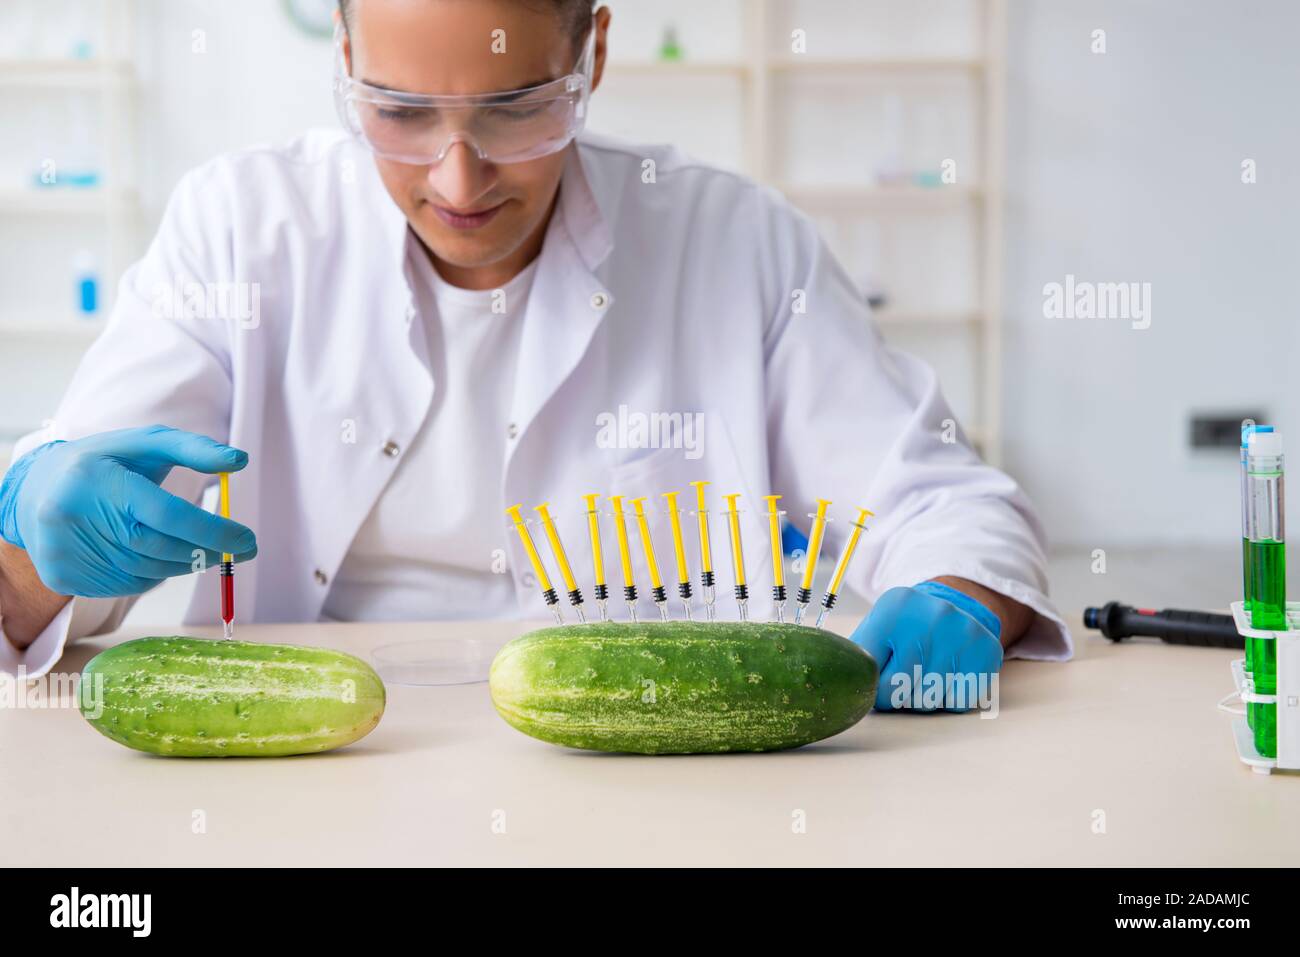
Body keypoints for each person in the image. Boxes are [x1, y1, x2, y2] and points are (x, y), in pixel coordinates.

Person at [0, 0, 1069, 710]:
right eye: (401, 113)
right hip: (316, 754)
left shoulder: (735, 242)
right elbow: (43, 558)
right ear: (345, 59)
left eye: (515, 111)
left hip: (656, 773)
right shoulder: (241, 228)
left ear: (591, 53)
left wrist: (962, 593)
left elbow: (948, 503)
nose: (458, 182)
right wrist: (36, 530)